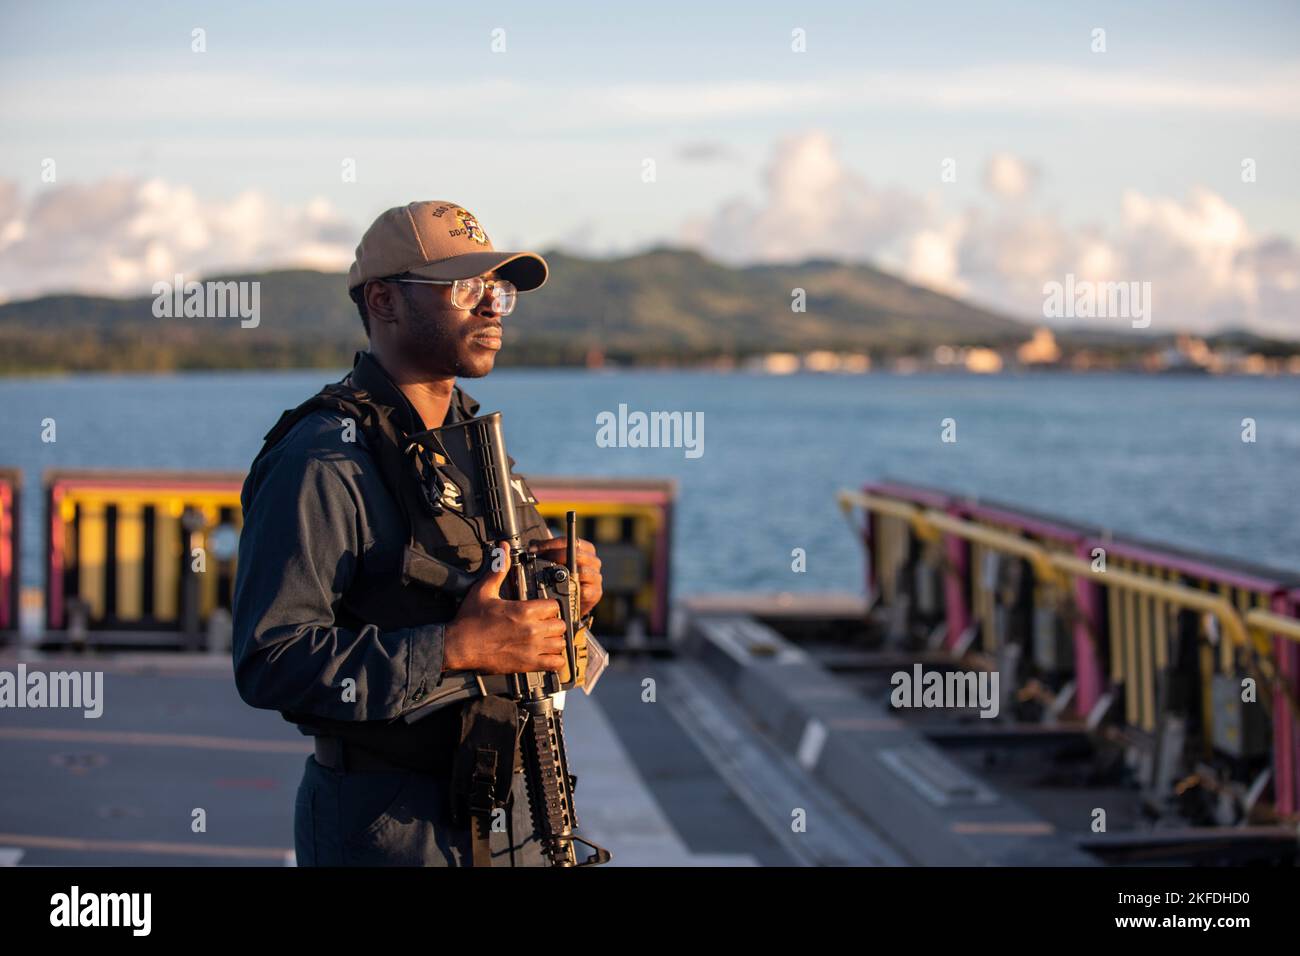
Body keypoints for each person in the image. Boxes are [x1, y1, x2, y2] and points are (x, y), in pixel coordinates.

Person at [231, 201, 604, 866]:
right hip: (389, 823)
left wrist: (567, 594)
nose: (491, 307)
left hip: (508, 807)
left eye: (499, 291)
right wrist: (457, 647)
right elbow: (272, 661)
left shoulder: (472, 444)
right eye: (466, 288)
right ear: (384, 301)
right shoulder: (322, 458)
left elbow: (516, 612)